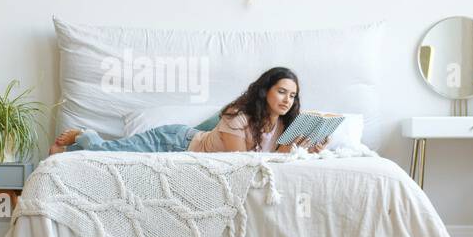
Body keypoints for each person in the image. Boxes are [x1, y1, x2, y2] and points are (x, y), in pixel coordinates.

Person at [48, 66, 329, 155]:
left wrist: (304, 150)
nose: (287, 100)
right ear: (265, 90)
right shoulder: (238, 116)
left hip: (185, 142)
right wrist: (284, 152)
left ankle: (68, 153)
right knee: (111, 154)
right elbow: (241, 163)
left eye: (292, 95)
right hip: (174, 141)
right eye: (281, 91)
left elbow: (270, 161)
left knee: (111, 156)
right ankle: (86, 136)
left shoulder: (284, 125)